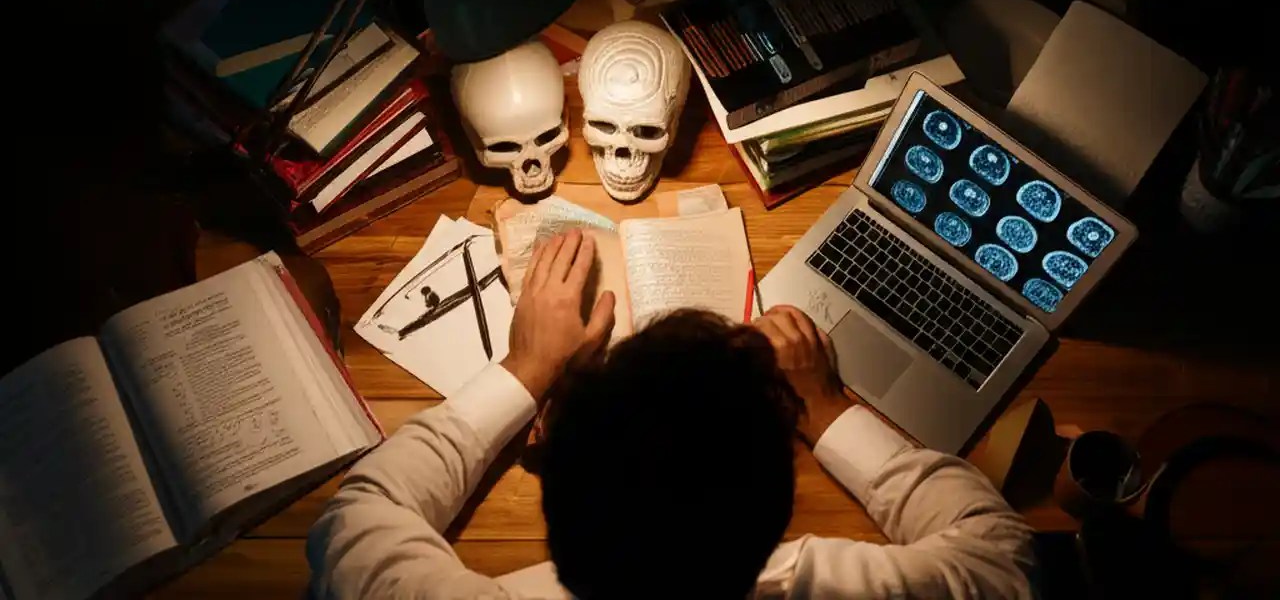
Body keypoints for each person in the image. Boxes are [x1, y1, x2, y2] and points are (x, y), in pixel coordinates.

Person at [308, 230, 1036, 598]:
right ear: (779, 510)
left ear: (553, 496)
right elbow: (1001, 554)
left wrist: (525, 371)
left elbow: (356, 517)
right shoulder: (827, 584)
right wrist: (824, 407)